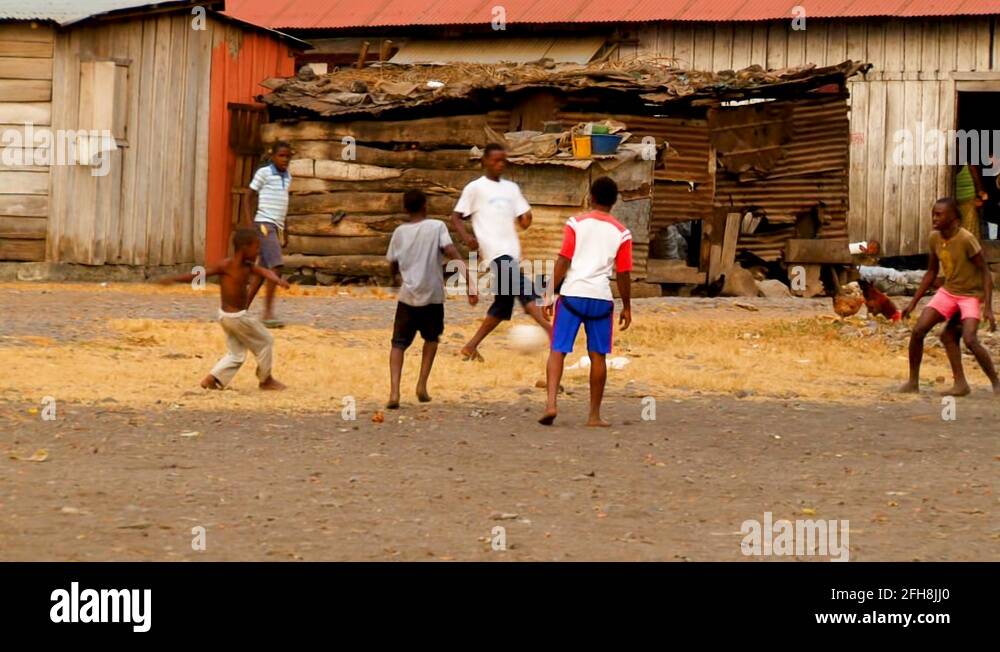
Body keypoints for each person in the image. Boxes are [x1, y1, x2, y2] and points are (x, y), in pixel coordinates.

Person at [539, 176, 633, 426]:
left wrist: (548, 294)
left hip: (572, 294)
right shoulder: (622, 233)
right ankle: (594, 415)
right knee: (598, 356)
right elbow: (624, 273)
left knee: (558, 350)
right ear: (614, 201)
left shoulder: (575, 224)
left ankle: (551, 404)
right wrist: (627, 306)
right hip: (601, 298)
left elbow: (563, 260)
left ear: (590, 197)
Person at [450, 143, 551, 361]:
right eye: (495, 160)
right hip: (495, 253)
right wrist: (467, 238)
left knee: (503, 305)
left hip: (512, 252)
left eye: (503, 160)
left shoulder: (511, 189)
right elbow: (456, 216)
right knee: (525, 289)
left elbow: (524, 217)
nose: (500, 164)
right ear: (484, 161)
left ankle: (470, 347)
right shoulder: (475, 188)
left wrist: (526, 220)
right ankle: (552, 333)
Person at [156, 228, 290, 391]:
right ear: (244, 248)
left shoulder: (248, 267)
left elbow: (265, 272)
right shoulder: (226, 266)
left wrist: (277, 280)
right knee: (266, 340)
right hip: (237, 318)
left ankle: (212, 379)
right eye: (256, 248)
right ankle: (266, 380)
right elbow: (201, 275)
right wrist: (174, 279)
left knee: (236, 354)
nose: (258, 252)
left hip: (226, 317)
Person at [387, 190, 477, 409]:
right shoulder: (437, 227)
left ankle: (394, 392)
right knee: (431, 339)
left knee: (398, 344)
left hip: (407, 297)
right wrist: (470, 283)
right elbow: (452, 253)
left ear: (405, 208)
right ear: (425, 206)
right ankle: (422, 385)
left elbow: (392, 261)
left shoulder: (399, 232)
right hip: (433, 297)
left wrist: (394, 279)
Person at [899, 197, 998, 396]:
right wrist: (913, 303)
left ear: (953, 218)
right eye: (933, 214)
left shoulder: (966, 239)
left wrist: (988, 306)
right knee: (919, 331)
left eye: (939, 215)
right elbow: (931, 272)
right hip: (949, 292)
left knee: (969, 339)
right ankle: (914, 382)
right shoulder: (934, 238)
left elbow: (986, 272)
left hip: (970, 295)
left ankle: (996, 383)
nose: (934, 218)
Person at [246, 141, 293, 328]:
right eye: (281, 155)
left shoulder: (288, 176)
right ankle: (267, 313)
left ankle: (240, 309)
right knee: (277, 265)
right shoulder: (264, 173)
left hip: (276, 226)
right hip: (264, 224)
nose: (285, 159)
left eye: (288, 156)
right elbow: (248, 196)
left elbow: (284, 203)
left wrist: (285, 229)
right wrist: (250, 224)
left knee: (262, 271)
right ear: (273, 156)